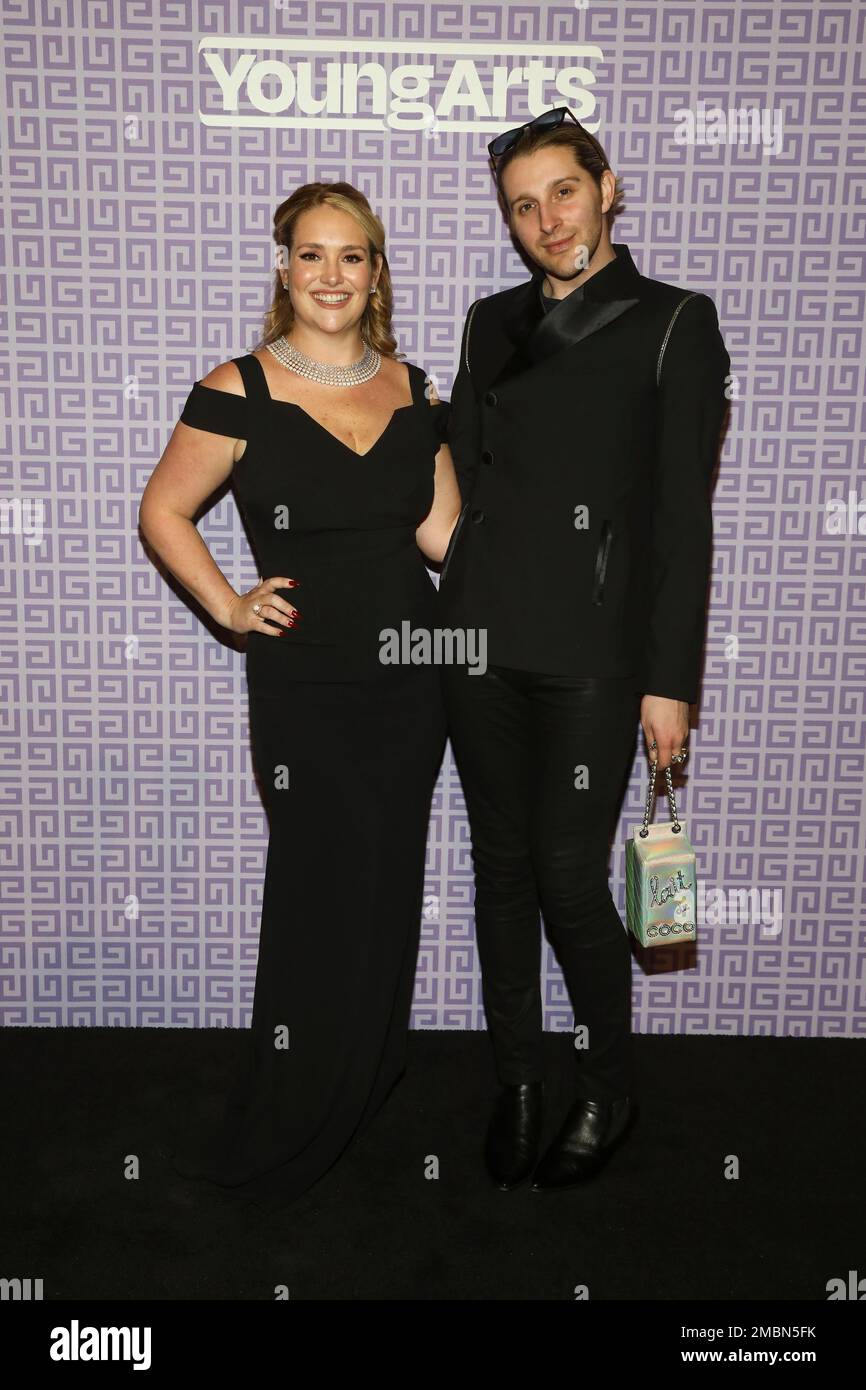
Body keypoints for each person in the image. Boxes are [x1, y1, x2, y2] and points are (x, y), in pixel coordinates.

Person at [139, 181, 461, 1201]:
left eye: (352, 255)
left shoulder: (413, 390)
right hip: (306, 684)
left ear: (376, 271)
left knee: (385, 888)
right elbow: (163, 511)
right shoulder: (238, 385)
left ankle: (361, 1079)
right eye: (310, 254)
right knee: (317, 890)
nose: (331, 275)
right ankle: (291, 1104)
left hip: (411, 679)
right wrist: (230, 605)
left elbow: (445, 538)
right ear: (283, 267)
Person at [438, 107, 731, 1192]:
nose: (545, 218)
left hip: (592, 655)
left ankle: (606, 1082)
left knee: (565, 871)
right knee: (498, 869)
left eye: (563, 190)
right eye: (522, 203)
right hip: (477, 643)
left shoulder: (671, 322)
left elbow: (679, 521)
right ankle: (517, 1077)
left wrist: (668, 681)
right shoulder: (485, 322)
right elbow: (456, 481)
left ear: (607, 188)